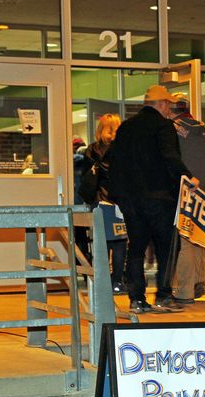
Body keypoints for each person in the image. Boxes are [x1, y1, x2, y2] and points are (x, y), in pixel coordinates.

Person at [108, 84, 195, 314]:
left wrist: (119, 194)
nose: (169, 109)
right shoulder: (164, 126)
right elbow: (170, 156)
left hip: (131, 199)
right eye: (168, 104)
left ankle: (136, 299)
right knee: (167, 248)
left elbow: (114, 161)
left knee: (136, 248)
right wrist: (188, 177)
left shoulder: (126, 127)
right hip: (159, 197)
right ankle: (163, 296)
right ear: (162, 104)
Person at [169, 93, 205, 305]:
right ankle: (199, 282)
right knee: (198, 238)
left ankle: (183, 290)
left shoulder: (172, 130)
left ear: (171, 109)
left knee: (185, 240)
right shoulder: (204, 131)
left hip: (185, 186)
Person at [82, 113, 127, 295]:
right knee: (120, 244)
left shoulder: (91, 150)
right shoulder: (123, 149)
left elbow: (86, 178)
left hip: (99, 202)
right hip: (120, 203)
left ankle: (101, 281)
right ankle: (117, 281)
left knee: (101, 243)